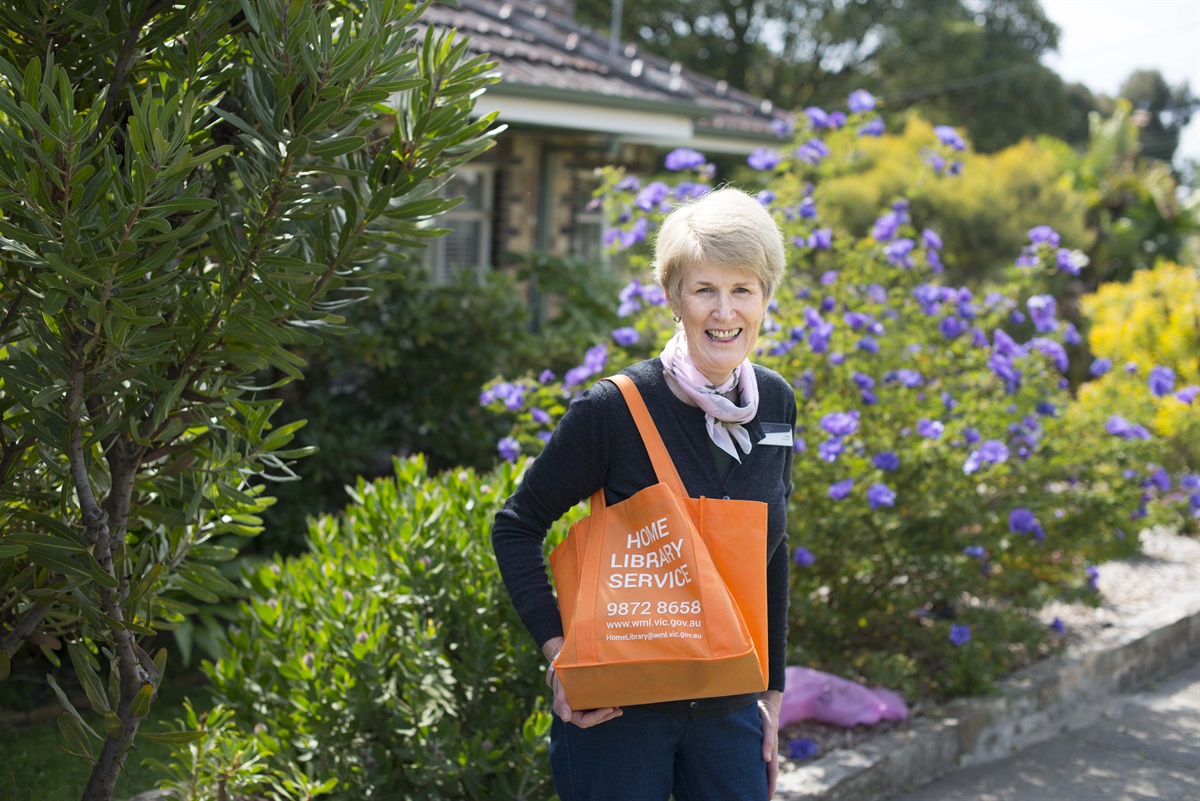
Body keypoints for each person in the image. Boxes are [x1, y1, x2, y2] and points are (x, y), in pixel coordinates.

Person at [491, 186, 795, 801]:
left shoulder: (777, 404)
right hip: (618, 716)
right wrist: (558, 656)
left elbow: (773, 550)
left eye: (743, 290)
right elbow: (517, 525)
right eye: (704, 289)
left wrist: (771, 692)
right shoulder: (616, 409)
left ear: (765, 299)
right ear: (672, 298)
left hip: (728, 710)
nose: (724, 311)